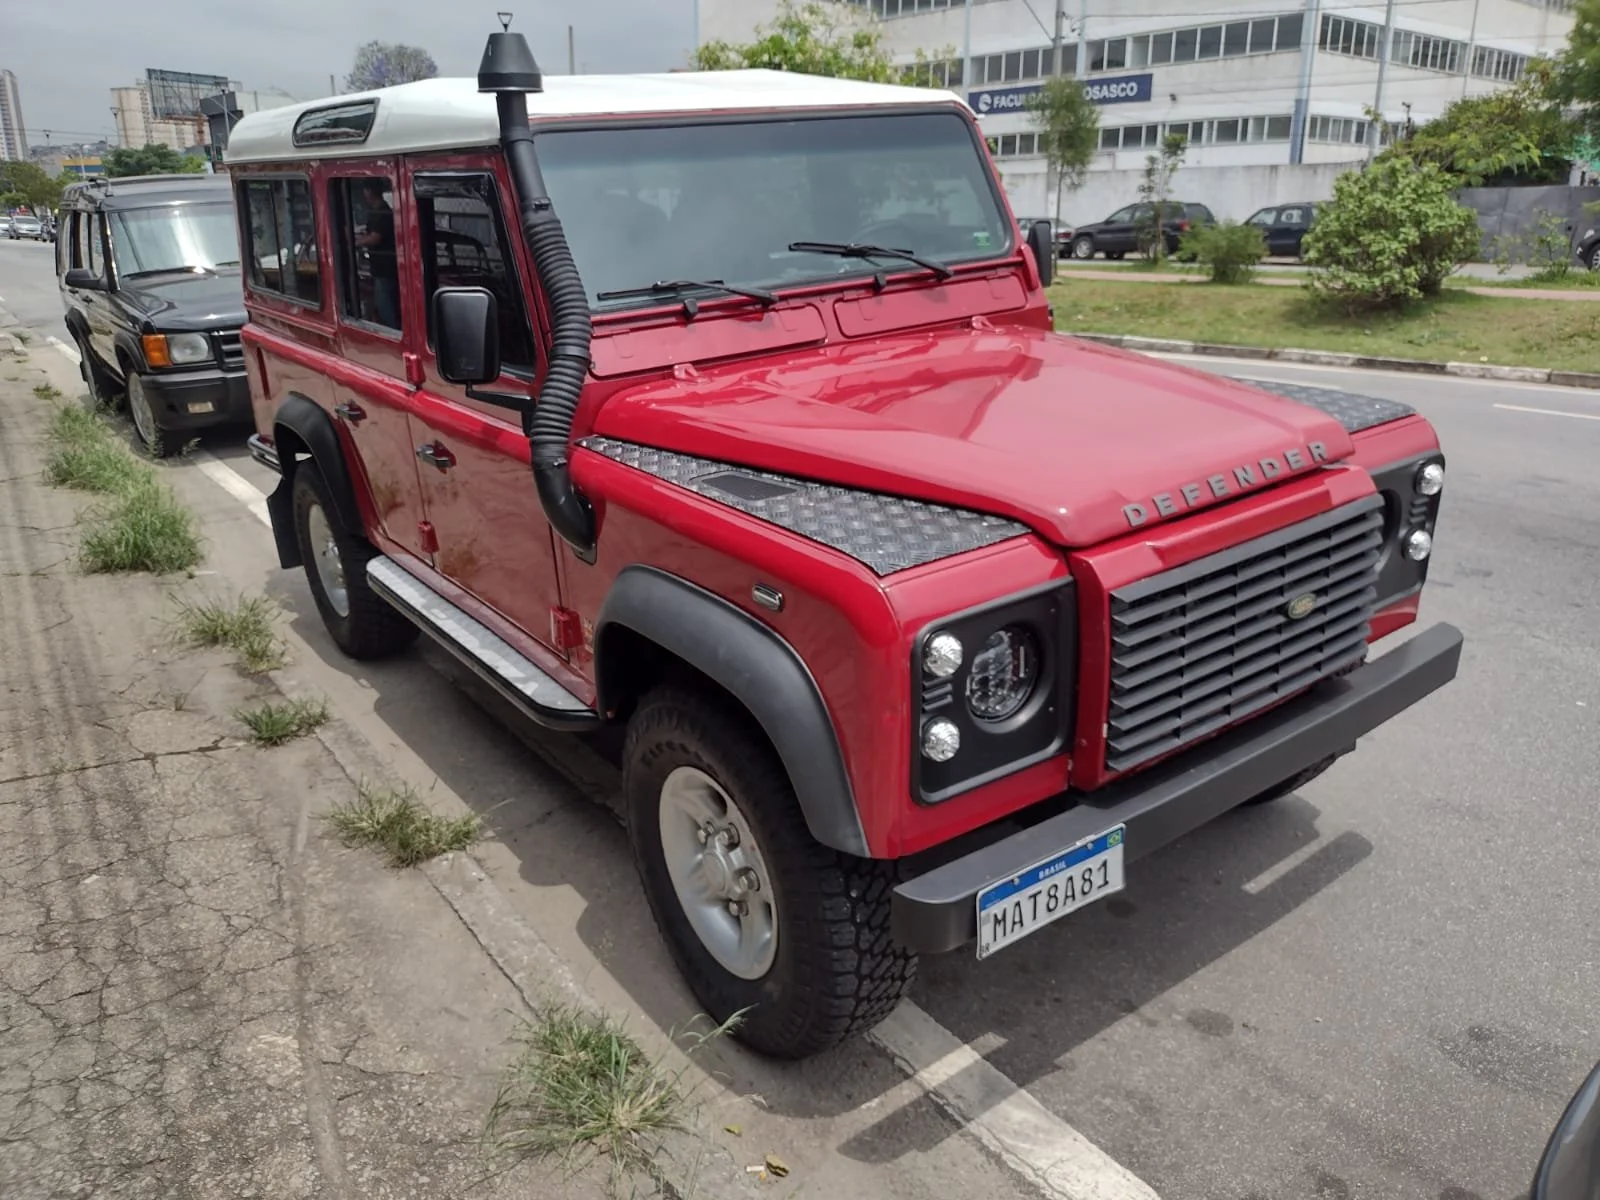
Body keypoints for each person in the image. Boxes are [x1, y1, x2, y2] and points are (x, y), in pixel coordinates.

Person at [355, 180, 400, 329]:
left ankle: (391, 329)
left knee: (385, 305)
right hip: (380, 266)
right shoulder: (377, 211)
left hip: (384, 267)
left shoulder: (382, 212)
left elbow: (376, 237)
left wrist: (357, 243)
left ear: (369, 192)